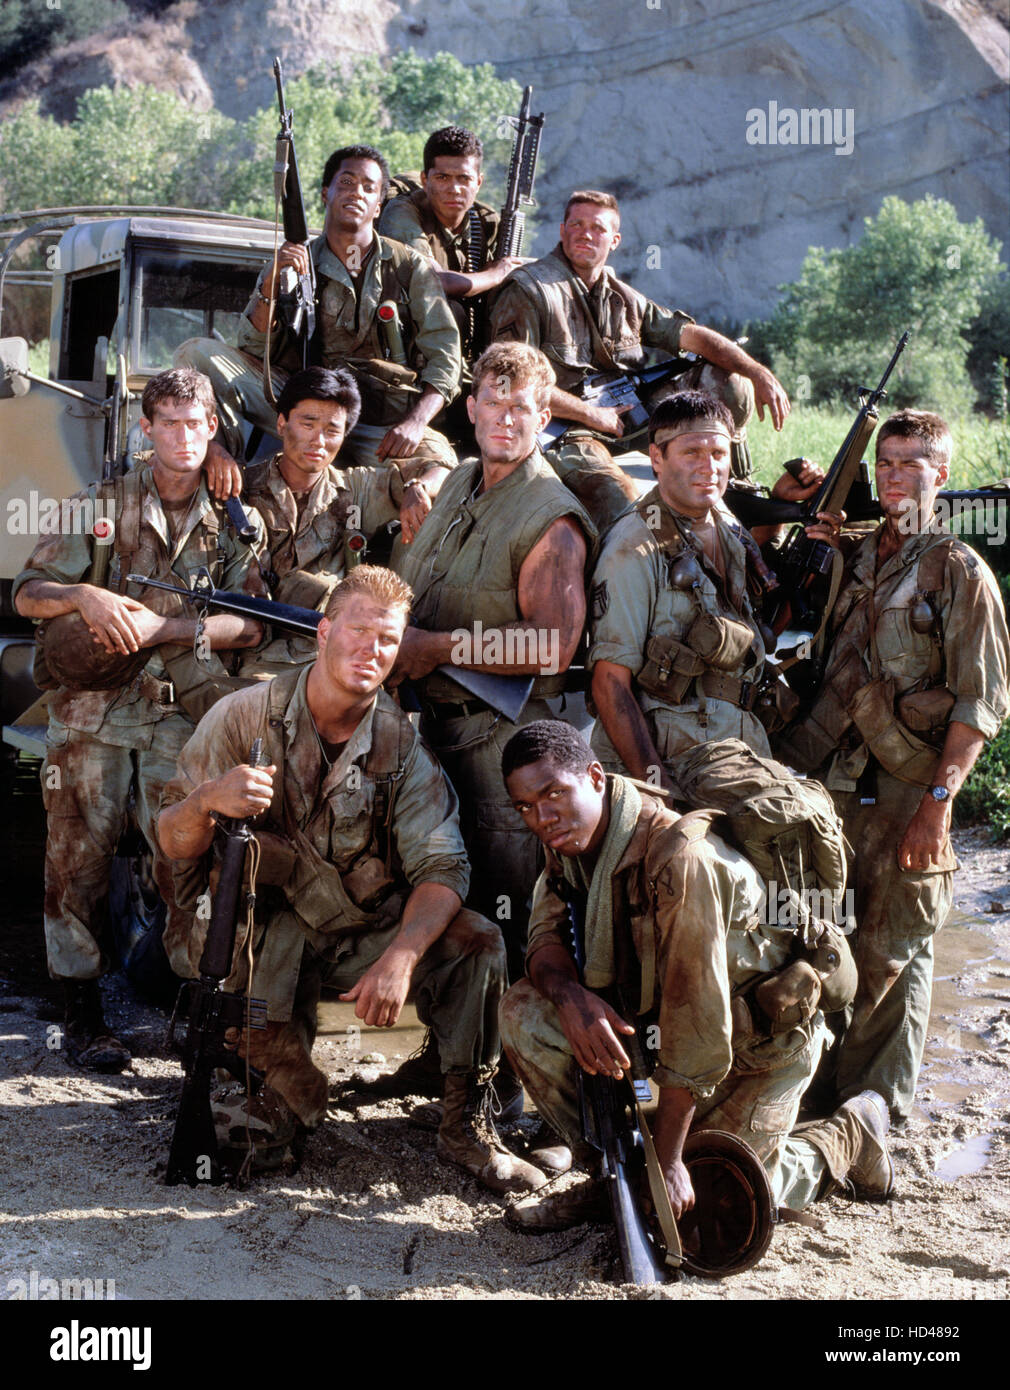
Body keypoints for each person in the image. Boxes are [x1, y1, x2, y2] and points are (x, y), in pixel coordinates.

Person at [158, 566, 544, 1194]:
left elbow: (444, 866)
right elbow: (169, 838)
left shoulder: (399, 744)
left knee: (479, 940)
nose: (372, 651)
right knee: (259, 1146)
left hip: (354, 928)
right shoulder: (242, 718)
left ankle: (465, 1124)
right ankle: (280, 1078)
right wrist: (208, 800)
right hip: (256, 936)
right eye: (359, 632)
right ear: (323, 631)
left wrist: (400, 956)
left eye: (388, 640)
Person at [497, 721, 894, 1232]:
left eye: (552, 794)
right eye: (525, 806)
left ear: (596, 777)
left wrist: (667, 1164)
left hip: (758, 1048)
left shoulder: (680, 857)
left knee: (718, 1202)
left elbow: (697, 1020)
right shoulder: (570, 838)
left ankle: (847, 1136)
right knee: (524, 1012)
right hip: (657, 1036)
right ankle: (610, 1170)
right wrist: (570, 996)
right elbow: (544, 941)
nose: (541, 817)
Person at [13, 367, 267, 1072]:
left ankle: (195, 1011)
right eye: (169, 423)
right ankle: (83, 1016)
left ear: (212, 427)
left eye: (196, 423)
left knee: (183, 865)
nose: (183, 437)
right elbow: (29, 595)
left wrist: (163, 632)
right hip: (92, 718)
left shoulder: (236, 520)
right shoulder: (100, 504)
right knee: (76, 864)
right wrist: (84, 596)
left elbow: (249, 626)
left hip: (180, 721)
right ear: (147, 429)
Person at [778, 409, 1010, 1123]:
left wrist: (939, 805)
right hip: (833, 781)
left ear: (942, 474)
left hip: (909, 787)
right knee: (824, 932)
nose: (898, 476)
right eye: (888, 463)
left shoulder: (960, 570)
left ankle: (876, 1108)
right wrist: (797, 521)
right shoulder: (849, 550)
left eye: (915, 464)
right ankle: (820, 1091)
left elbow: (981, 705)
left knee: (895, 947)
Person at [391, 342, 594, 982]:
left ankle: (507, 1073)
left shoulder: (550, 516)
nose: (507, 419)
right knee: (447, 905)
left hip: (500, 746)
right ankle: (454, 1056)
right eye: (496, 404)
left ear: (545, 420)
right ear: (472, 408)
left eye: (524, 408)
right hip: (433, 733)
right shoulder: (458, 481)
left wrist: (436, 648)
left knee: (510, 916)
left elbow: (551, 646)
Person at [488, 189, 792, 531]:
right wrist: (592, 414)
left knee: (729, 382)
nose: (586, 234)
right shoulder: (531, 290)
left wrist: (757, 372)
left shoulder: (620, 296)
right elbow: (510, 381)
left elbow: (692, 336)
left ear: (614, 240)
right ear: (562, 231)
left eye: (598, 228)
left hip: (624, 414)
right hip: (564, 429)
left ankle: (734, 493)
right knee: (620, 497)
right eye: (576, 224)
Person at [588, 389, 837, 786]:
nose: (709, 468)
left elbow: (745, 596)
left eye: (719, 454)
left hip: (737, 746)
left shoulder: (722, 520)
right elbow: (609, 683)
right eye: (692, 453)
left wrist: (781, 505)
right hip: (673, 759)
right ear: (657, 458)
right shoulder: (633, 547)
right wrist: (657, 784)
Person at [175, 144, 461, 488]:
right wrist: (273, 282)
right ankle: (219, 459)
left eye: (369, 188)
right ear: (327, 193)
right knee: (194, 354)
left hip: (379, 425)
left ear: (379, 206)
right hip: (300, 414)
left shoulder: (407, 266)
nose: (357, 193)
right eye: (347, 182)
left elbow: (445, 356)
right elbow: (252, 347)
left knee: (443, 467)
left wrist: (415, 422)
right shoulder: (293, 263)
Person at [239, 365, 449, 673]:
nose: (319, 441)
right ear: (282, 424)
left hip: (332, 660)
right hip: (253, 656)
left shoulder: (356, 488)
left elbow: (444, 471)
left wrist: (418, 487)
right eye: (308, 424)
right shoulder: (241, 487)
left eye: (332, 430)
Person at [378, 125, 521, 362]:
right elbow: (432, 281)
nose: (454, 189)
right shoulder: (403, 212)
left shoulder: (487, 223)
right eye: (442, 177)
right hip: (406, 342)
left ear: (479, 182)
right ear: (425, 179)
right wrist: (495, 275)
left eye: (464, 178)